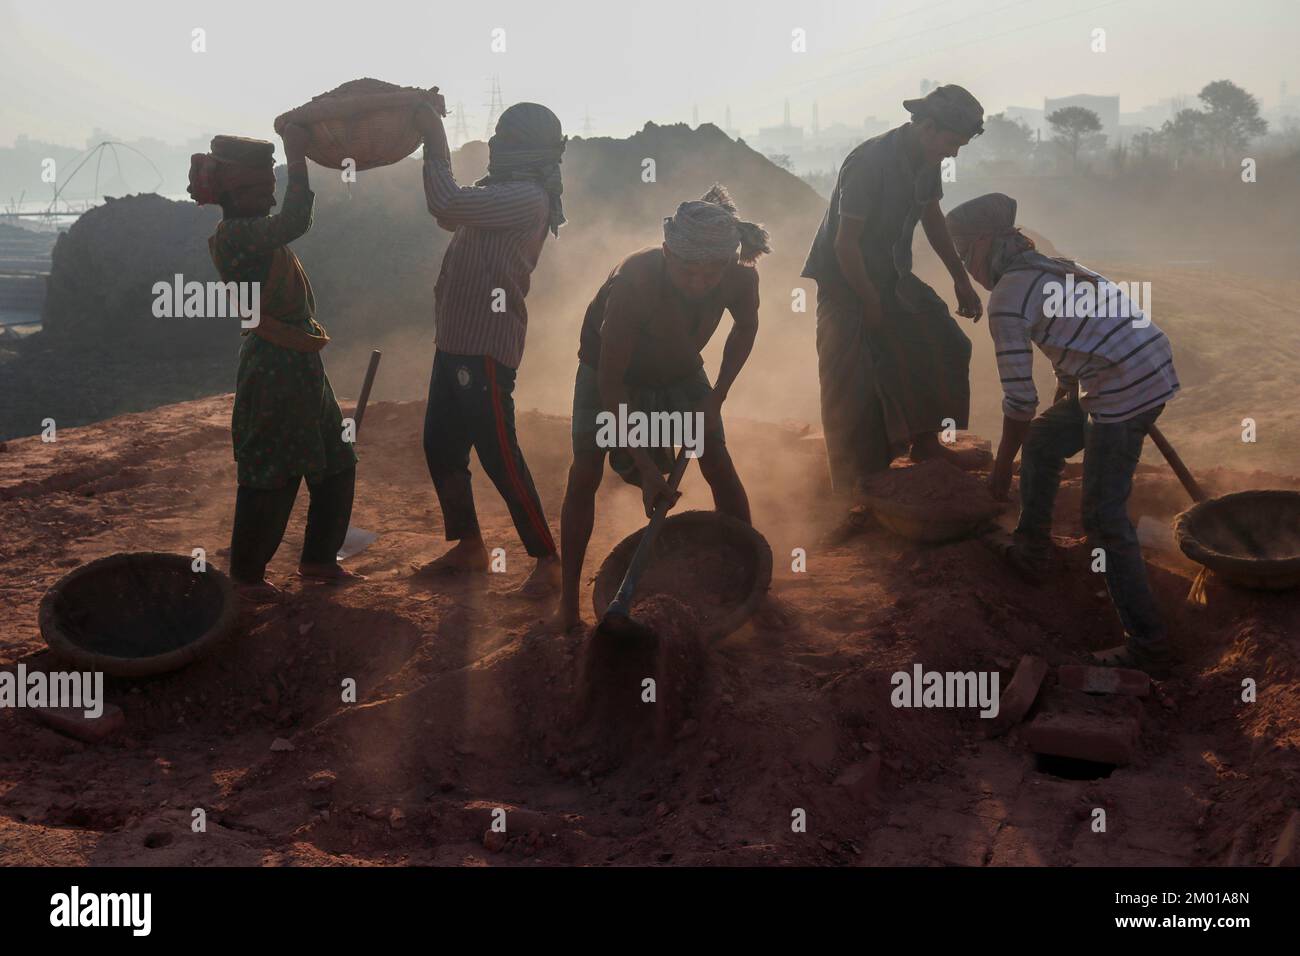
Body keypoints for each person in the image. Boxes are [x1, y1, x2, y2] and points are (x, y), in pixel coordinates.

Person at [945, 192, 1181, 672]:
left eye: (965, 253)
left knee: (1103, 518)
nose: (967, 268)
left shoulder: (1008, 300)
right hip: (1143, 364)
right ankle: (1032, 550)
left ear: (986, 242)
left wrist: (999, 476)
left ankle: (1149, 644)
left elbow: (1018, 404)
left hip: (1121, 385)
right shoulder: (1055, 266)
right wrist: (1061, 409)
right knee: (1048, 438)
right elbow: (1073, 347)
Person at [558, 185, 769, 631]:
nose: (698, 283)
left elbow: (745, 328)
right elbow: (612, 385)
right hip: (609, 375)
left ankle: (746, 579)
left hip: (680, 368)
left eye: (710, 274)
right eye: (687, 271)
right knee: (586, 470)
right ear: (668, 253)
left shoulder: (741, 277)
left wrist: (716, 398)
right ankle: (567, 605)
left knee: (717, 460)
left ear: (728, 263)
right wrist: (646, 467)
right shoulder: (634, 283)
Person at [801, 84, 987, 542]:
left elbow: (932, 217)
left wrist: (960, 276)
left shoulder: (927, 161)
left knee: (947, 343)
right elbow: (845, 244)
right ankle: (850, 491)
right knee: (851, 380)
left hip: (892, 276)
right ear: (926, 127)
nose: (953, 153)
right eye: (951, 143)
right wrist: (868, 303)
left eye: (959, 147)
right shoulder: (869, 163)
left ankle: (928, 444)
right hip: (846, 282)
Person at [189, 129, 363, 601]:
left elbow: (287, 221)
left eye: (270, 185)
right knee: (272, 470)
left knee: (336, 460)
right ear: (232, 193)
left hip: (298, 361)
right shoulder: (238, 234)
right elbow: (295, 220)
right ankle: (246, 576)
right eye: (258, 188)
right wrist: (299, 158)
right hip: (274, 365)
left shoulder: (249, 231)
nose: (268, 194)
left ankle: (319, 559)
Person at [411, 95, 565, 596]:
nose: (496, 141)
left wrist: (433, 138)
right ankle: (470, 546)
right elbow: (450, 215)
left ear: (528, 150)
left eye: (506, 136)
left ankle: (547, 558)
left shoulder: (525, 197)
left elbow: (445, 204)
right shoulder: (503, 192)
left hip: (484, 346)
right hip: (456, 340)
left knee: (499, 453)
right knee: (441, 446)